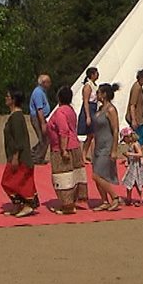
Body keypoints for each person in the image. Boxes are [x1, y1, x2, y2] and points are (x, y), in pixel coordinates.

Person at [46, 86, 88, 214]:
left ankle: (67, 206)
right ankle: (72, 202)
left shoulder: (60, 113)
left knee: (63, 177)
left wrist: (63, 150)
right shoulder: (70, 110)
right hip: (74, 146)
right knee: (73, 176)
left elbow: (63, 131)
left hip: (62, 148)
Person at [0, 90, 39, 217]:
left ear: (13, 100)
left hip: (20, 157)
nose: (6, 98)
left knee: (11, 181)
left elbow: (19, 138)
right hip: (15, 155)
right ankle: (18, 205)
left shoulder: (17, 117)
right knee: (14, 181)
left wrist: (16, 156)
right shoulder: (14, 116)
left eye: (8, 96)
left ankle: (27, 204)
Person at [89, 82, 123, 211]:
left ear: (104, 94)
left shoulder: (110, 110)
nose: (96, 95)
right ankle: (104, 200)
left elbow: (115, 130)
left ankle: (115, 197)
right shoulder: (100, 109)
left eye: (98, 92)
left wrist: (114, 149)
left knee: (97, 175)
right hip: (98, 144)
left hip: (107, 145)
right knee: (97, 174)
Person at [120, 127, 143, 206]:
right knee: (131, 182)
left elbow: (140, 154)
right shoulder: (131, 145)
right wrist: (126, 160)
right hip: (132, 166)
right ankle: (129, 198)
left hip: (136, 166)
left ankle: (140, 198)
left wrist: (129, 154)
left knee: (135, 182)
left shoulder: (135, 144)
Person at [28, 74, 52, 165]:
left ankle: (38, 157)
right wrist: (42, 123)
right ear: (43, 83)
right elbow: (39, 109)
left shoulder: (42, 92)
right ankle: (34, 156)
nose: (50, 84)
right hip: (38, 118)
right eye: (48, 82)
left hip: (41, 117)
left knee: (45, 138)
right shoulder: (38, 92)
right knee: (43, 138)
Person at [126, 68, 143, 146]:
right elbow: (132, 105)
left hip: (139, 118)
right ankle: (135, 154)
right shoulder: (137, 88)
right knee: (142, 138)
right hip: (136, 118)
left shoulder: (138, 87)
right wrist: (134, 120)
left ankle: (136, 154)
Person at [78, 67, 100, 163]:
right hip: (89, 109)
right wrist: (87, 116)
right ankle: (87, 155)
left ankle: (85, 154)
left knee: (91, 135)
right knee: (92, 134)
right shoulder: (88, 86)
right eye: (96, 73)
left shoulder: (94, 85)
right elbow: (86, 102)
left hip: (94, 108)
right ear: (92, 74)